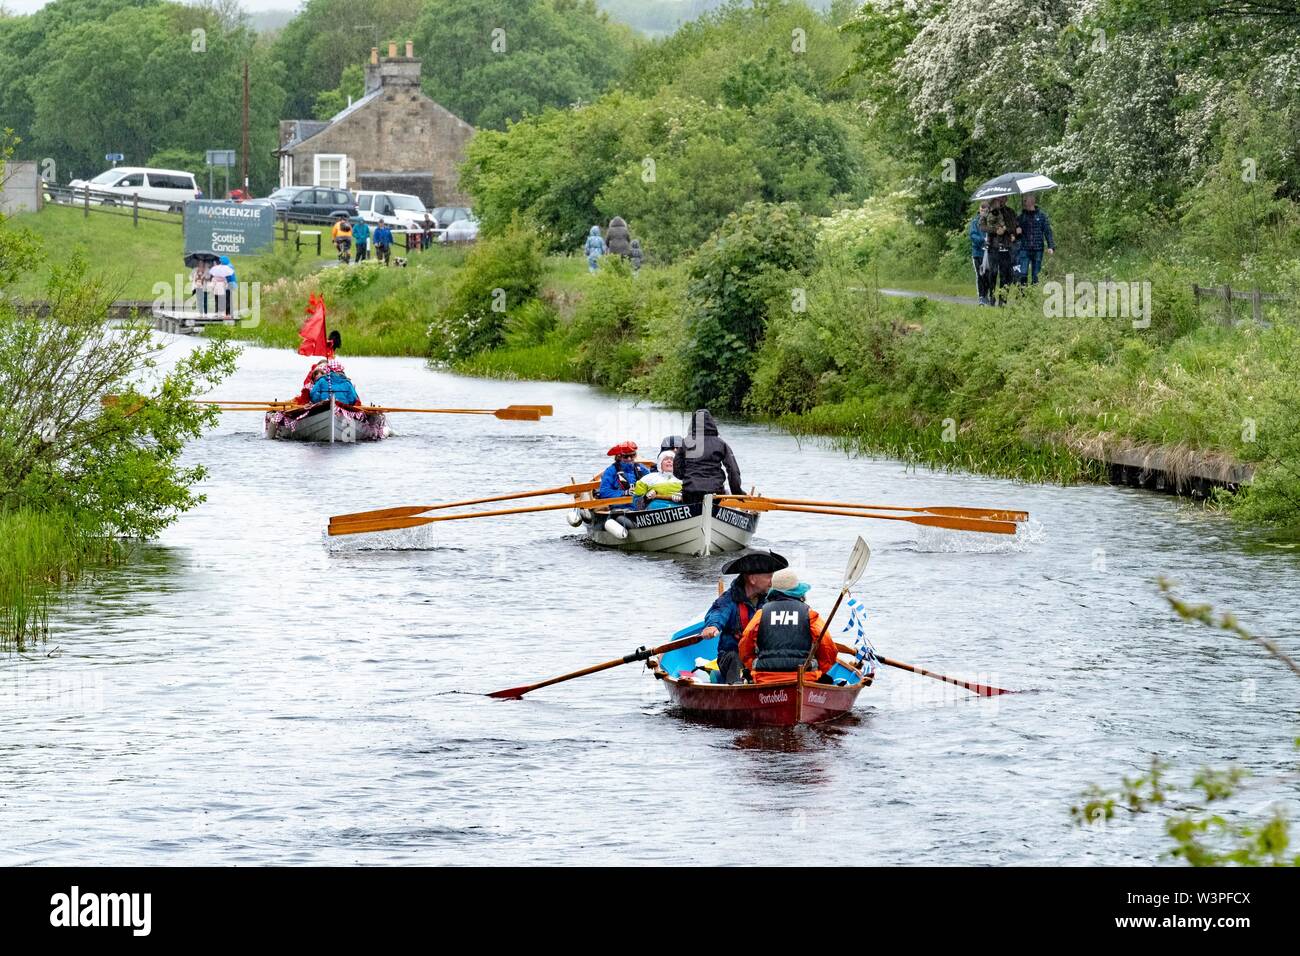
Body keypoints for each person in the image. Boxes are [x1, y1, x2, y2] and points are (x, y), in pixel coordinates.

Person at [738, 568, 838, 684]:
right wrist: (821, 670)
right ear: (799, 592)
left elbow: (744, 647)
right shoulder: (809, 614)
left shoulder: (761, 614)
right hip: (804, 677)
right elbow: (828, 647)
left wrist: (754, 666)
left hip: (765, 678)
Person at [702, 550, 787, 684]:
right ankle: (736, 690)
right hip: (732, 656)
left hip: (762, 656)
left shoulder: (771, 599)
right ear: (752, 579)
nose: (772, 582)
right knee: (734, 658)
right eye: (769, 577)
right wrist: (713, 626)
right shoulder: (728, 599)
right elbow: (718, 612)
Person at [673, 409, 742, 505]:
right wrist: (737, 492)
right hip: (715, 492)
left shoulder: (685, 443)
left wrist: (689, 478)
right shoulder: (721, 444)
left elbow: (677, 472)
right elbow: (733, 471)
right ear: (712, 424)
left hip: (690, 492)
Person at [978, 195, 1020, 306]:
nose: (1002, 200)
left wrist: (1006, 229)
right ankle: (992, 295)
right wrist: (995, 231)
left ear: (1006, 199)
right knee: (993, 272)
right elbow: (982, 226)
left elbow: (1015, 227)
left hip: (1006, 246)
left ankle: (1003, 300)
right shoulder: (989, 210)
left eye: (1004, 198)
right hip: (993, 247)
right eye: (1000, 198)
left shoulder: (1010, 212)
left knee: (1005, 274)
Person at [1016, 193, 1055, 285]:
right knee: (1023, 273)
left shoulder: (1042, 216)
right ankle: (1022, 295)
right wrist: (1017, 232)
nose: (1024, 202)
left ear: (1032, 201)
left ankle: (1033, 295)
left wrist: (1051, 246)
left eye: (1026, 200)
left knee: (1036, 275)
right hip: (1024, 248)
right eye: (1024, 200)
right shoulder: (1021, 217)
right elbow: (1016, 236)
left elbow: (1047, 231)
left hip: (1038, 249)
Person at [969, 202, 992, 306]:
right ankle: (981, 296)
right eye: (982, 210)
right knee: (980, 275)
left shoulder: (990, 222)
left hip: (988, 253)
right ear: (979, 210)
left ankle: (986, 295)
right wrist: (983, 239)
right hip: (978, 253)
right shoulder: (975, 222)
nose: (984, 212)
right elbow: (973, 235)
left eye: (986, 210)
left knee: (988, 275)